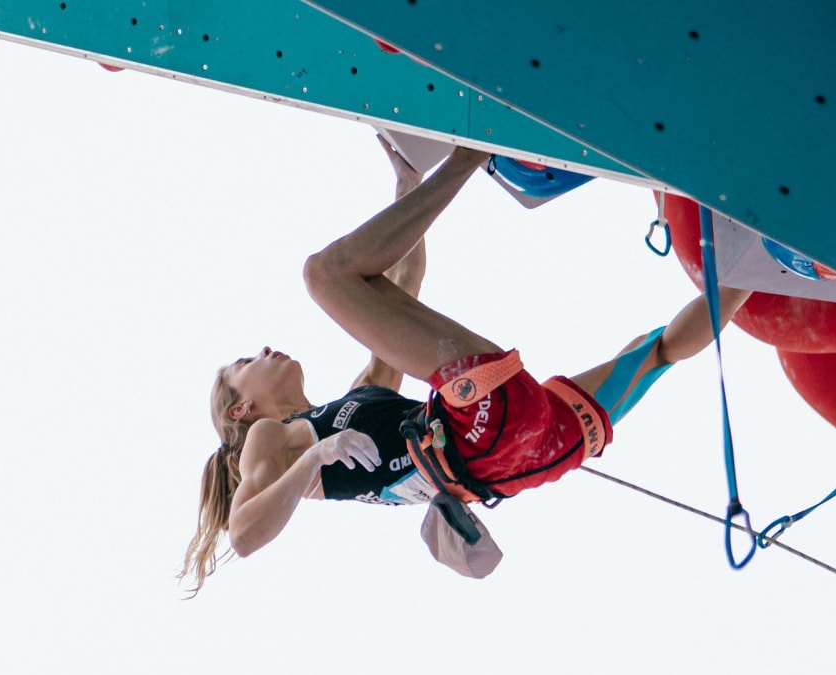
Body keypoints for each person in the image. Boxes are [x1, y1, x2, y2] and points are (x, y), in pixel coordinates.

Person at [180, 140, 751, 592]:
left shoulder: (355, 399)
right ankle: (471, 155)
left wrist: (406, 186)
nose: (262, 350)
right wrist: (317, 456)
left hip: (529, 451)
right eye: (244, 362)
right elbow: (246, 533)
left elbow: (404, 285)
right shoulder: (267, 440)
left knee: (655, 352)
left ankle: (760, 270)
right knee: (322, 276)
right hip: (479, 423)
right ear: (242, 405)